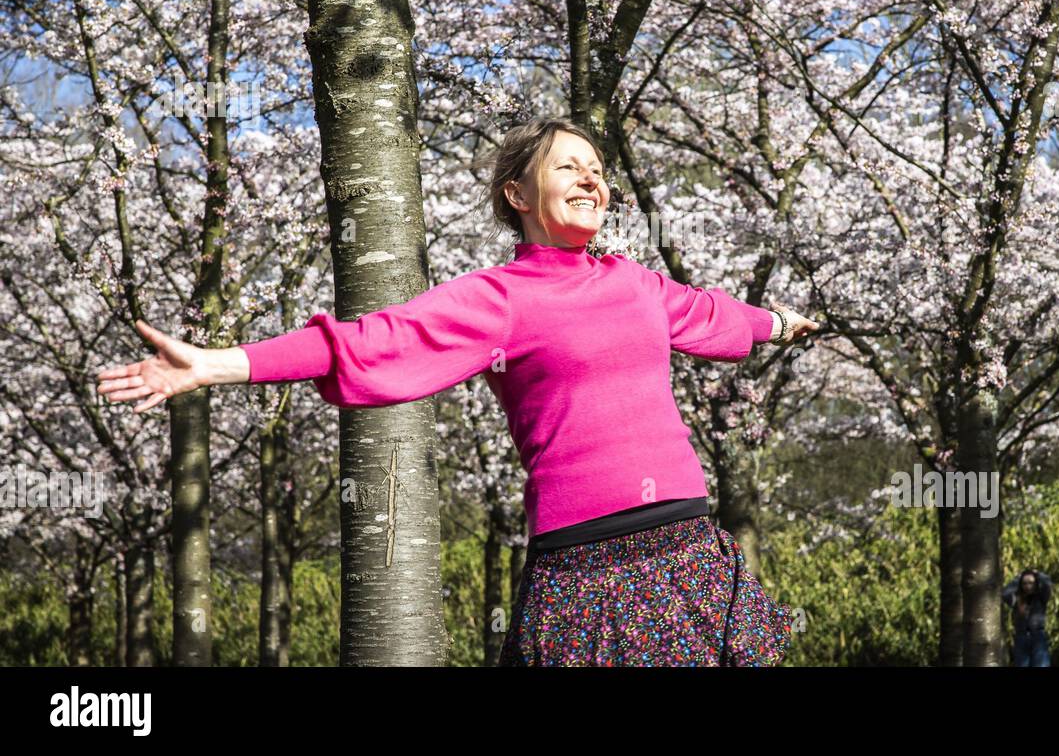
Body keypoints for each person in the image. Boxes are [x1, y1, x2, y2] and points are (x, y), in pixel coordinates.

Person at [96, 118, 819, 666]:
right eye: (569, 166)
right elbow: (373, 344)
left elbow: (715, 316)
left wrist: (782, 322)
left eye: (598, 171)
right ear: (517, 194)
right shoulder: (498, 300)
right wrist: (215, 364)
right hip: (586, 576)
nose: (592, 179)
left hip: (688, 550)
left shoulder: (637, 283)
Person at [1002, 568, 1053, 667]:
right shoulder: (1017, 599)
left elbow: (1047, 583)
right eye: (1025, 583)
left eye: (1031, 583)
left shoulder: (1041, 597)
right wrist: (1018, 578)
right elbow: (1005, 593)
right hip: (1021, 636)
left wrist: (1037, 573)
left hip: (1038, 635)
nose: (1028, 586)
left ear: (1035, 584)